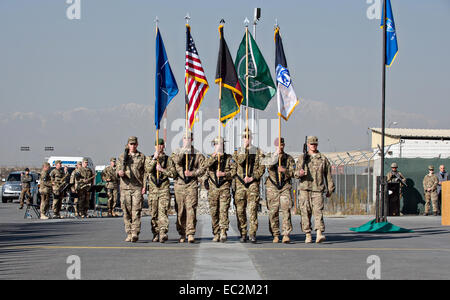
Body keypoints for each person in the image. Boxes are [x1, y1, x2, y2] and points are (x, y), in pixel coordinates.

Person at [295, 136, 335, 243]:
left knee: (318, 212)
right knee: (305, 212)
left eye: (315, 144)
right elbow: (295, 173)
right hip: (305, 189)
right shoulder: (302, 158)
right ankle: (307, 234)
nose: (313, 145)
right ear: (308, 145)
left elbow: (328, 175)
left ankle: (319, 234)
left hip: (317, 189)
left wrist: (330, 189)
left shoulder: (323, 159)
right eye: (311, 144)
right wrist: (299, 173)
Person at [232, 128, 265, 243]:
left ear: (252, 138)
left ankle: (252, 233)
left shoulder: (258, 151)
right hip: (240, 184)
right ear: (242, 138)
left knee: (253, 209)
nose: (247, 139)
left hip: (252, 183)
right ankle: (243, 232)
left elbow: (262, 167)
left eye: (249, 137)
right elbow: (239, 162)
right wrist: (245, 150)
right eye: (245, 137)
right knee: (240, 210)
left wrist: (253, 177)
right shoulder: (237, 151)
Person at [171, 134, 205, 243]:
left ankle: (190, 233)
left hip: (191, 185)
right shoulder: (176, 152)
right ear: (182, 139)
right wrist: (183, 151)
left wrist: (193, 173)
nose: (187, 140)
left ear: (192, 139)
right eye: (185, 138)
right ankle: (182, 232)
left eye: (189, 138)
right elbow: (175, 162)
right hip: (179, 185)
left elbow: (203, 168)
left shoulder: (197, 154)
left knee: (191, 209)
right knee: (180, 210)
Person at [202, 137, 236, 242]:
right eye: (217, 144)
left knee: (223, 211)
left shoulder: (229, 158)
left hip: (224, 188)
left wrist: (224, 174)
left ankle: (223, 231)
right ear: (214, 145)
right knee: (214, 212)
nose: (220, 146)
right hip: (213, 189)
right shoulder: (209, 157)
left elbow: (234, 172)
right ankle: (216, 232)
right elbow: (204, 166)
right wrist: (213, 157)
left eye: (221, 144)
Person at [263, 137, 295, 244]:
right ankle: (275, 234)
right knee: (273, 212)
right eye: (277, 145)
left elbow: (293, 173)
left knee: (286, 211)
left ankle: (286, 234)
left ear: (284, 145)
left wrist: (284, 170)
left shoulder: (289, 158)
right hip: (272, 187)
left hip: (285, 186)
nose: (280, 147)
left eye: (281, 145)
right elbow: (268, 164)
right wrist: (276, 154)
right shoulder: (269, 156)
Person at [144, 138, 175, 243]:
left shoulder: (168, 159)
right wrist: (154, 159)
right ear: (154, 146)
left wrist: (162, 170)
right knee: (154, 213)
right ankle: (155, 233)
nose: (159, 147)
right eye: (157, 145)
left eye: (161, 145)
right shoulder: (149, 158)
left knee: (163, 212)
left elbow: (173, 173)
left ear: (164, 146)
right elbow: (147, 169)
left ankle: (163, 232)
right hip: (153, 190)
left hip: (163, 189)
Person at [117, 136, 146, 243]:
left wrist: (144, 186)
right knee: (126, 211)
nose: (133, 146)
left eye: (134, 144)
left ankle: (135, 233)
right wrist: (119, 172)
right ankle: (128, 232)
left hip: (137, 187)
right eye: (131, 144)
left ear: (137, 144)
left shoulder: (141, 157)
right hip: (125, 187)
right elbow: (117, 170)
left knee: (136, 211)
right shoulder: (122, 157)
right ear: (128, 145)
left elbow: (145, 172)